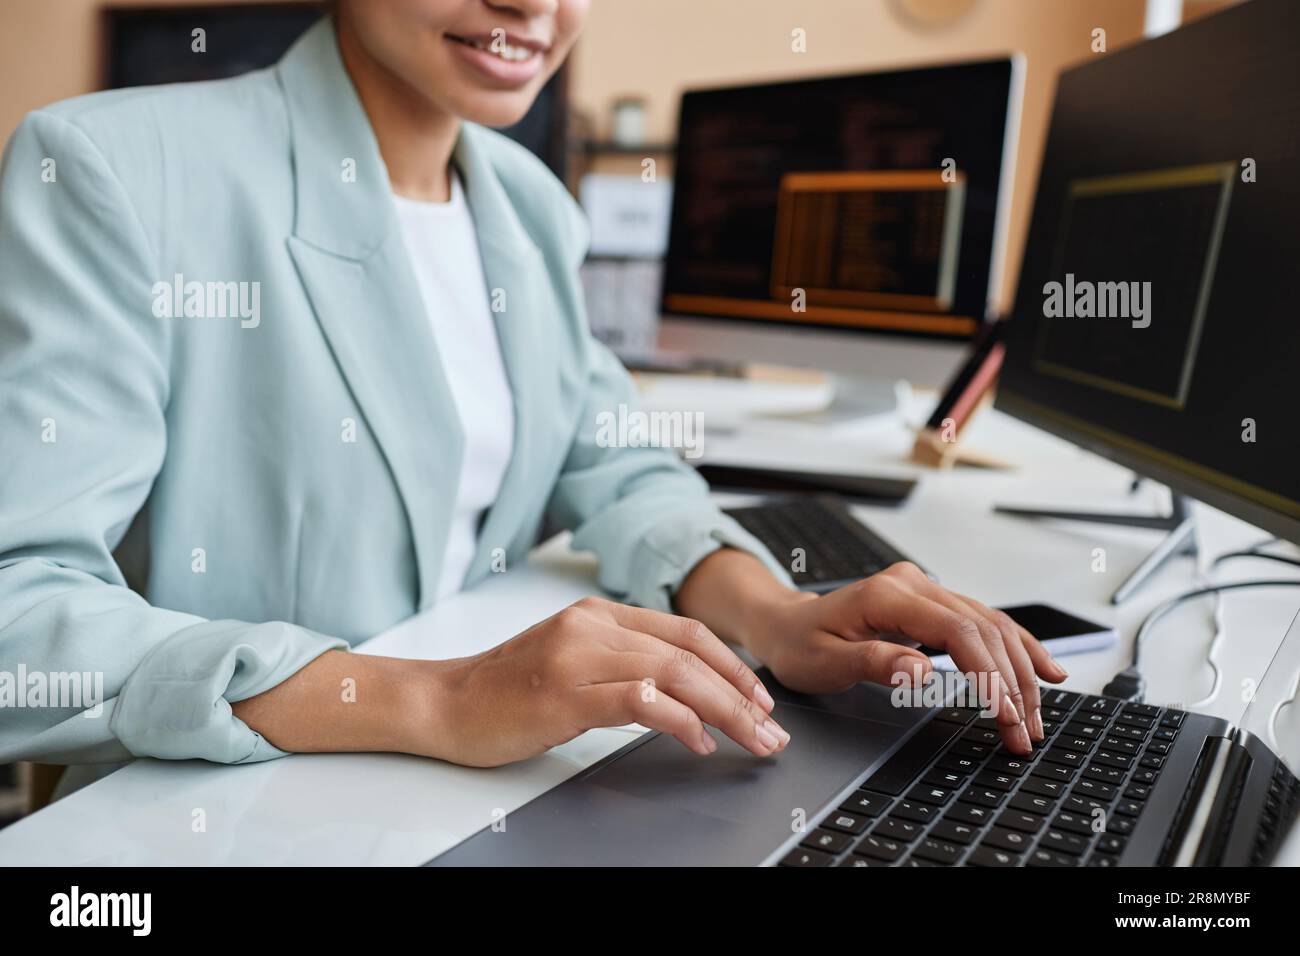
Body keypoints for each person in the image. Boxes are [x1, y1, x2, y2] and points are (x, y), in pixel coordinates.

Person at [0, 0, 1065, 798]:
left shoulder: (526, 208)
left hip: (460, 802)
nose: (531, 4)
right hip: (215, 810)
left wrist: (776, 613)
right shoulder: (111, 171)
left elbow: (612, 462)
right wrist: (438, 695)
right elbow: (18, 618)